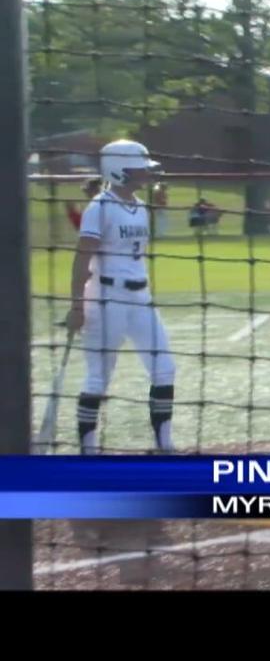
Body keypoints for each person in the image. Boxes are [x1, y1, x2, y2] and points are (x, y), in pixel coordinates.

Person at [65, 139, 176, 455]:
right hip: (106, 298)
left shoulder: (139, 206)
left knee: (164, 367)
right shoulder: (99, 208)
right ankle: (89, 450)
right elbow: (81, 259)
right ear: (120, 169)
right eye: (140, 167)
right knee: (99, 376)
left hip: (141, 298)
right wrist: (77, 306)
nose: (146, 173)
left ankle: (165, 445)